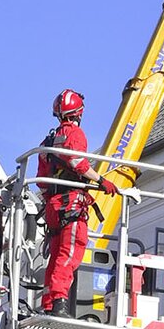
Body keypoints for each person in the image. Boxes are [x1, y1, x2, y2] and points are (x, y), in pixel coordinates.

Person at [35, 90, 119, 314]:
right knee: (70, 253)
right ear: (79, 113)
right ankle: (60, 301)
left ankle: (49, 303)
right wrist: (100, 180)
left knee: (55, 255)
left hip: (54, 207)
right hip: (72, 203)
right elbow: (77, 161)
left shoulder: (47, 142)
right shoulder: (75, 134)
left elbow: (42, 182)